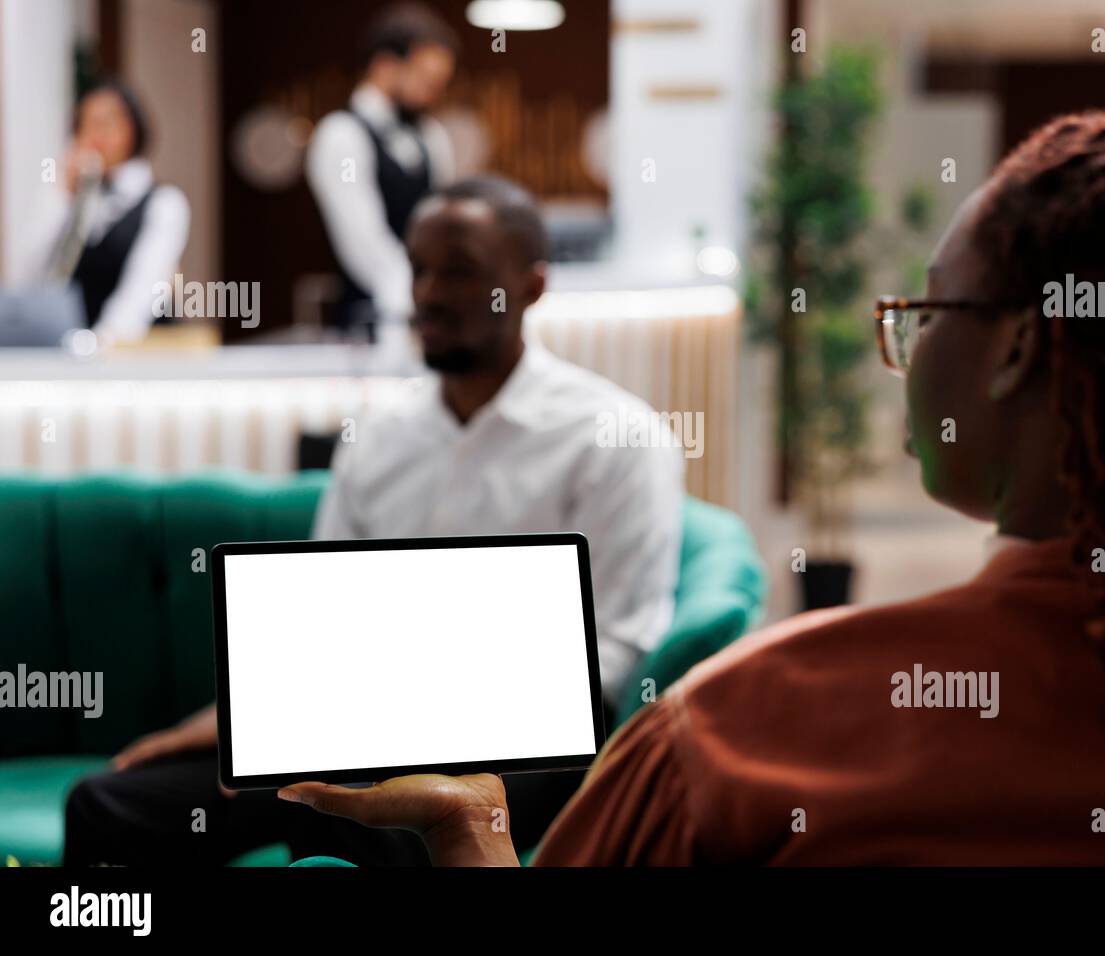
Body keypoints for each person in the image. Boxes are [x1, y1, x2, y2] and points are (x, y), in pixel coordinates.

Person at [279, 111, 1105, 865]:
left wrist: (469, 821)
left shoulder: (753, 724)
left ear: (1018, 348)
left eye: (925, 306)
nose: (899, 340)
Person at [63, 175, 684, 865]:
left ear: (532, 287)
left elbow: (619, 652)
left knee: (359, 818)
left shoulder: (615, 436)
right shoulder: (380, 433)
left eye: (459, 271)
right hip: (355, 728)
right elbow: (320, 620)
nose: (427, 293)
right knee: (106, 802)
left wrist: (420, 706)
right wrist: (238, 717)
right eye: (418, 268)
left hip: (530, 747)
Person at [306, 3, 458, 341]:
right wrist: (418, 302)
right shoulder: (341, 136)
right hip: (369, 326)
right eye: (425, 80)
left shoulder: (431, 136)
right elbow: (363, 244)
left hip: (427, 319)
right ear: (386, 66)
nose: (433, 93)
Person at [16, 80, 190, 346]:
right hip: (75, 357)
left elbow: (140, 296)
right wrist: (62, 194)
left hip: (137, 357)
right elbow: (27, 279)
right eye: (86, 125)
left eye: (107, 123)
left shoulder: (165, 204)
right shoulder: (74, 202)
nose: (96, 136)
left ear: (134, 129)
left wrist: (98, 346)